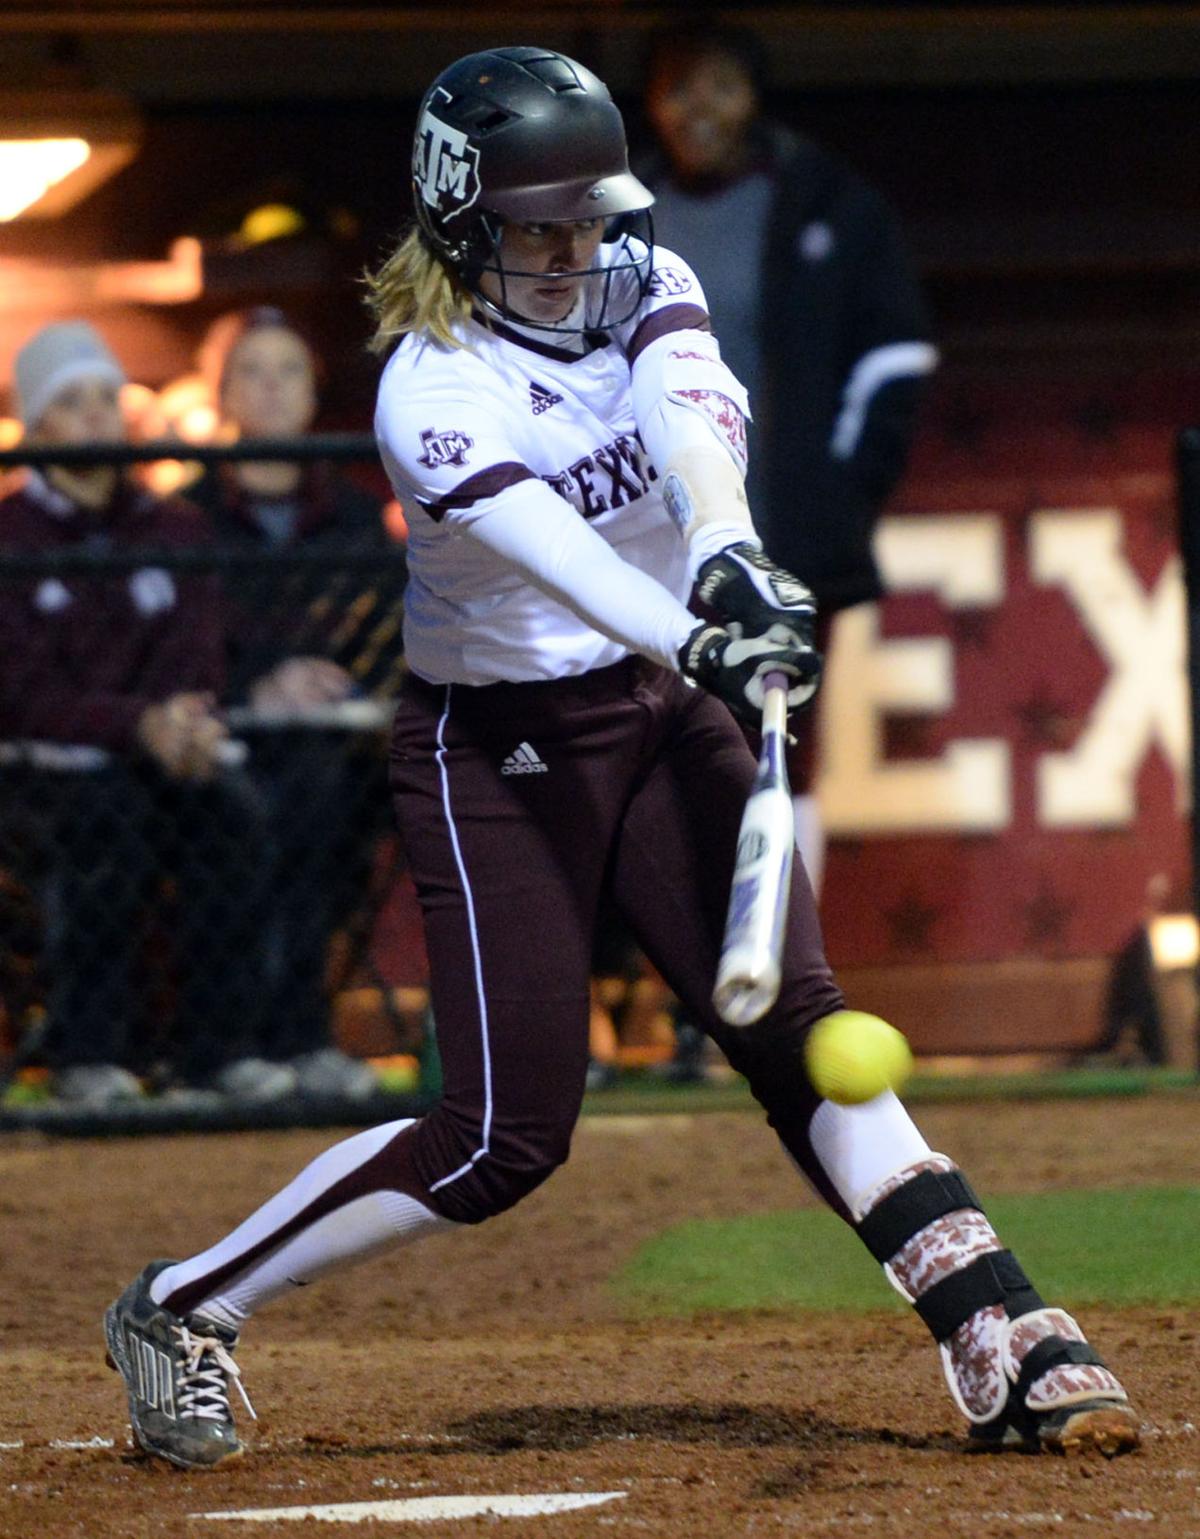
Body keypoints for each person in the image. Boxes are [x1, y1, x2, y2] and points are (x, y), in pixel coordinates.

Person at [102, 48, 1138, 1469]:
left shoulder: (642, 278)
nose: (575, 250)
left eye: (590, 218)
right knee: (499, 1137)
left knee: (798, 1026)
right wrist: (698, 634)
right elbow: (561, 555)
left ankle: (996, 1320)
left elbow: (695, 423)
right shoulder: (433, 386)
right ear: (464, 226)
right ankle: (181, 1303)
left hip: (655, 711)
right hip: (500, 748)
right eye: (541, 226)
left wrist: (728, 561)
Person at [640, 21, 938, 894]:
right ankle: (656, 989)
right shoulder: (622, 215)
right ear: (650, 106)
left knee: (778, 745)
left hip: (788, 540)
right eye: (677, 88)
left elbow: (897, 357)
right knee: (660, 750)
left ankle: (784, 959)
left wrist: (835, 496)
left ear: (755, 97)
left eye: (720, 86)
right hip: (654, 541)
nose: (699, 109)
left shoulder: (825, 202)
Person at [0, 321, 294, 1109]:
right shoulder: (9, 535)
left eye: (108, 396)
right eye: (73, 401)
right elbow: (21, 693)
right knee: (107, 819)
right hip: (42, 773)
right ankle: (89, 1055)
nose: (98, 415)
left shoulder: (177, 528)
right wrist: (138, 722)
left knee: (233, 816)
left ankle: (215, 1056)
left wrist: (182, 723)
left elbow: (199, 655)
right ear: (37, 424)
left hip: (167, 754)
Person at [185, 307, 402, 1101]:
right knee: (258, 807)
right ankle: (240, 1039)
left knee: (327, 795)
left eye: (289, 371)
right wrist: (258, 684)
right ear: (223, 392)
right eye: (253, 371)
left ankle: (300, 1034)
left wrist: (340, 678)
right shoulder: (187, 513)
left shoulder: (354, 515)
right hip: (220, 747)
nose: (272, 390)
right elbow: (179, 644)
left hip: (339, 752)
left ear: (314, 392)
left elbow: (388, 635)